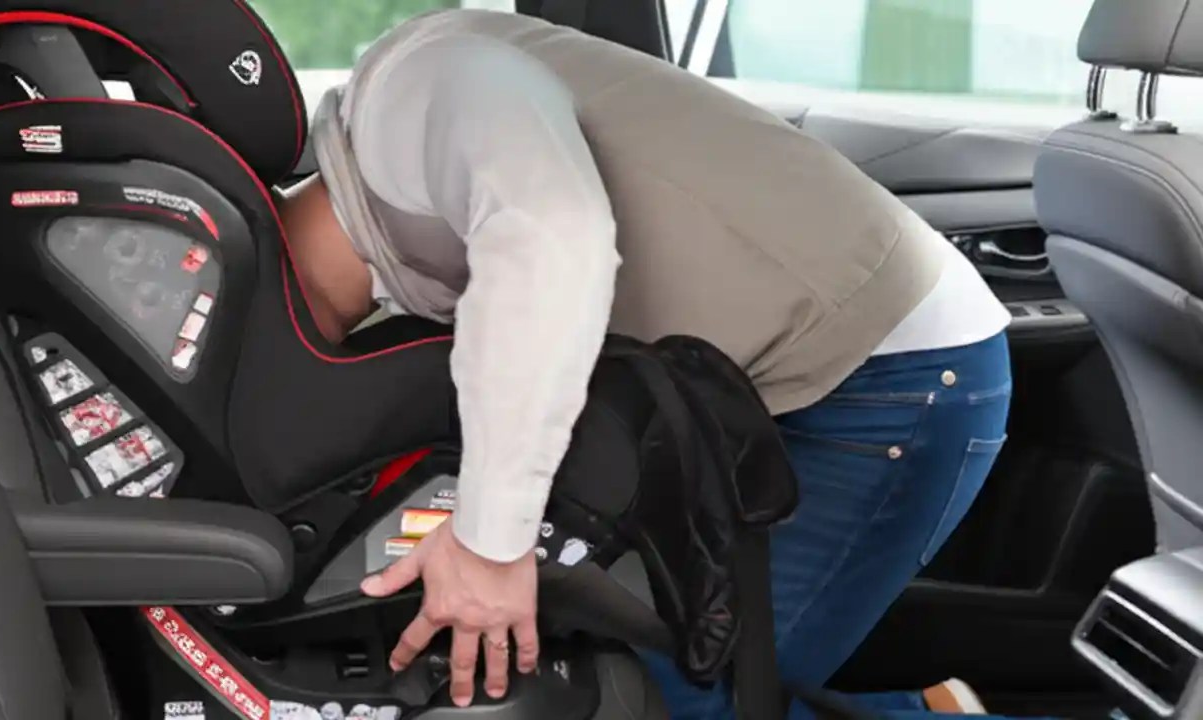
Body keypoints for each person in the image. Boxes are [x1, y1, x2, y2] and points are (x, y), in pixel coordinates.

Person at [277, 8, 1022, 719]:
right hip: (766, 381)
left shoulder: (422, 82)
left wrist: (486, 543)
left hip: (887, 369)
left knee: (681, 704)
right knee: (633, 682)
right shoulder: (393, 188)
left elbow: (555, 239)